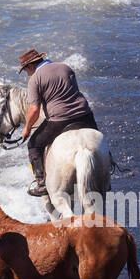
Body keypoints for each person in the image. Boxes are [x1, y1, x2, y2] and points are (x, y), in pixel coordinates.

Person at [18, 49, 99, 197]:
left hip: (60, 120)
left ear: (29, 66)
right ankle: (109, 162)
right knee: (96, 136)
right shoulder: (65, 67)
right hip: (84, 114)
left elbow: (34, 109)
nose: (27, 73)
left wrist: (27, 128)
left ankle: (41, 183)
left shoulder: (35, 79)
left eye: (25, 70)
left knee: (34, 145)